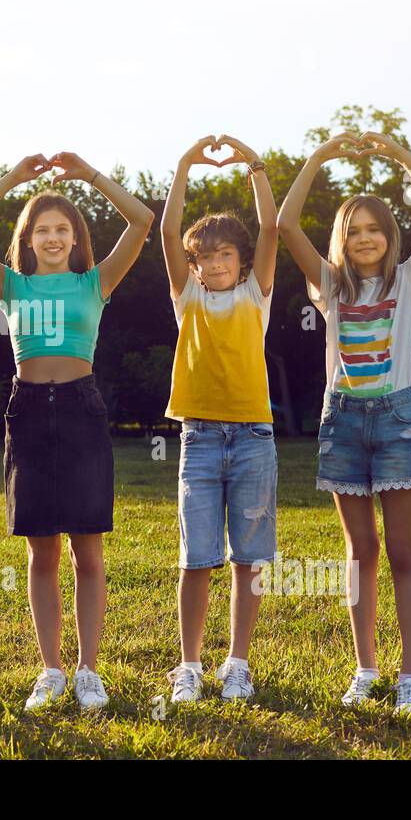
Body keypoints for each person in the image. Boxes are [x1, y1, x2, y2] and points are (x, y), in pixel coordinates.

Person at [0, 151, 154, 711]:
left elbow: (141, 221)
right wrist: (15, 177)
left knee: (88, 552)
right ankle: (52, 670)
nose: (53, 237)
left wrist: (88, 174)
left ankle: (89, 669)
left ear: (76, 237)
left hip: (82, 408)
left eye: (63, 228)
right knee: (42, 553)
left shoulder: (96, 282)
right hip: (30, 412)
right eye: (42, 229)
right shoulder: (12, 286)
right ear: (28, 238)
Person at [277, 130, 411, 714]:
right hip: (344, 422)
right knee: (360, 550)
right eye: (352, 231)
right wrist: (319, 158)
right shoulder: (329, 285)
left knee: (403, 549)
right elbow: (284, 224)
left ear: (390, 236)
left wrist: (401, 156)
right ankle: (365, 669)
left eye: (373, 229)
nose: (364, 239)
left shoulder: (409, 280)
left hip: (398, 417)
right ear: (341, 241)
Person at [160, 134, 279, 704]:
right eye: (204, 258)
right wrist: (185, 164)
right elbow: (166, 231)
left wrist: (252, 164)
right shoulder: (190, 298)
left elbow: (274, 229)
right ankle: (189, 666)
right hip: (199, 438)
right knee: (197, 556)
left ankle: (237, 663)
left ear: (242, 261)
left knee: (248, 557)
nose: (213, 265)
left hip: (254, 438)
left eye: (224, 255)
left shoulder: (256, 295)